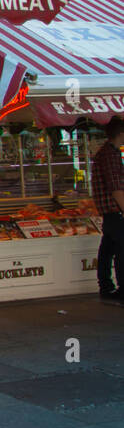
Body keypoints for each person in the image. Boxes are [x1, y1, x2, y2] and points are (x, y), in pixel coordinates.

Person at [92, 117, 124, 304]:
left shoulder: (105, 153)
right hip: (115, 210)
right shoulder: (110, 155)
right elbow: (116, 187)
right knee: (120, 250)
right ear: (120, 133)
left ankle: (106, 286)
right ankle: (120, 290)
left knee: (107, 249)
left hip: (109, 210)